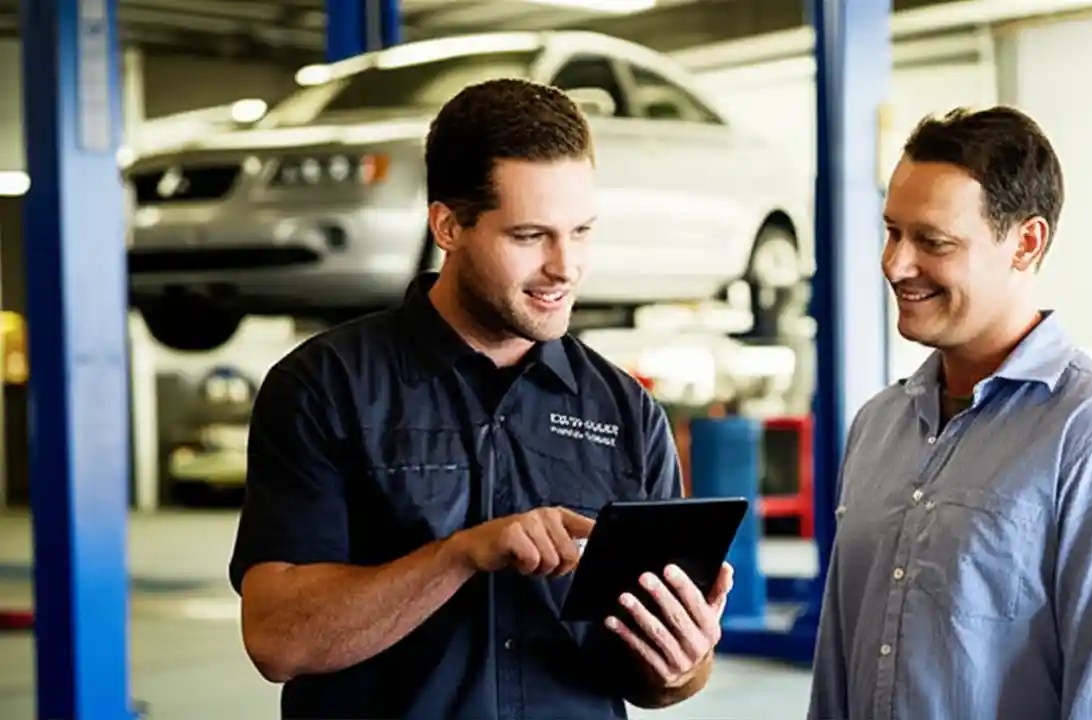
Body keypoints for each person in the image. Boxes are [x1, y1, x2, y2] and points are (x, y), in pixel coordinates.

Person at [229, 78, 732, 720]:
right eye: (530, 236)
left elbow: (664, 682)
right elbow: (278, 640)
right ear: (448, 226)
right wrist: (461, 554)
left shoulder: (627, 413)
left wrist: (683, 663)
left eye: (581, 231)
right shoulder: (324, 389)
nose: (565, 266)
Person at [807, 106, 1092, 720]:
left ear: (1026, 243)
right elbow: (836, 673)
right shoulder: (878, 426)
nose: (895, 264)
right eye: (892, 232)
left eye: (932, 242)